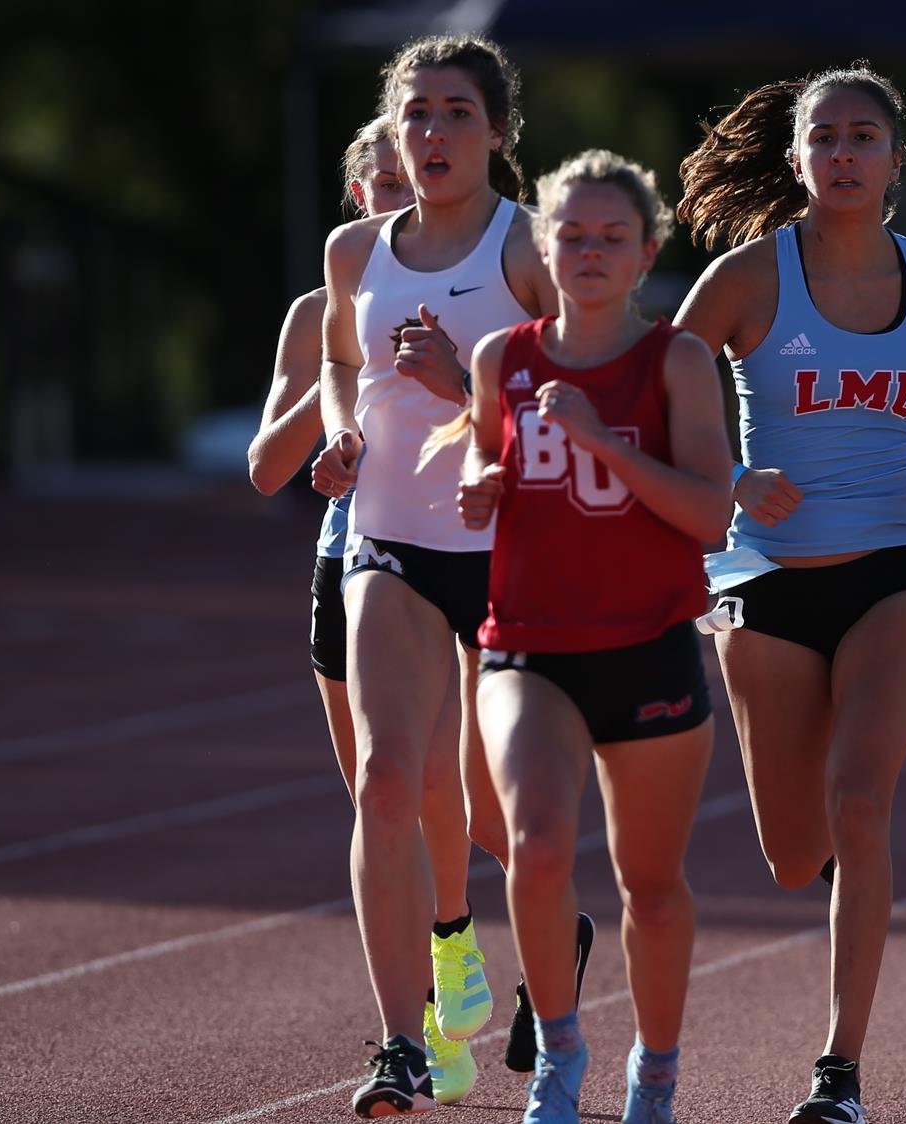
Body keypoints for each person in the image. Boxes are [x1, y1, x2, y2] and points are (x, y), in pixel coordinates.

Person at [672, 64, 906, 1124]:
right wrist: (727, 478)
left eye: (862, 137)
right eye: (823, 138)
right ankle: (834, 886)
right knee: (790, 856)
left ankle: (839, 1072)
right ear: (794, 160)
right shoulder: (744, 279)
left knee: (860, 805)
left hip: (891, 572)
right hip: (760, 583)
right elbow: (662, 386)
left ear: (894, 162)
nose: (842, 155)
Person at [310, 34, 578, 1116]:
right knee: (385, 778)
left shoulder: (527, 251)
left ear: (498, 132)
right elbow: (340, 358)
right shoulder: (352, 252)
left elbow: (581, 401)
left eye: (456, 113)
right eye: (415, 113)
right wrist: (337, 432)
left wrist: (463, 389)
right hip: (387, 543)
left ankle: (555, 1009)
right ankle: (397, 1041)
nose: (431, 133)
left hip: (512, 548)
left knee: (513, 819)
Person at [450, 148, 730, 1124]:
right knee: (532, 845)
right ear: (542, 245)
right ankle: (558, 1055)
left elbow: (710, 514)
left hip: (647, 643)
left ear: (646, 252)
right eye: (570, 235)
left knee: (648, 887)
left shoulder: (676, 361)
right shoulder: (502, 359)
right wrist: (480, 484)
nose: (589, 252)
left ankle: (653, 1071)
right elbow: (486, 474)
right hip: (527, 643)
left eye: (612, 237)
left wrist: (605, 440)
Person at [248, 114, 406, 797]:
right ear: (358, 191)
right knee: (376, 793)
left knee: (473, 801)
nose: (402, 201)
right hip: (349, 559)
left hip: (461, 555)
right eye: (386, 182)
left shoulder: (490, 290)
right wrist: (341, 367)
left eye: (419, 182)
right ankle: (444, 913)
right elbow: (266, 471)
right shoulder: (314, 312)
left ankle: (528, 905)